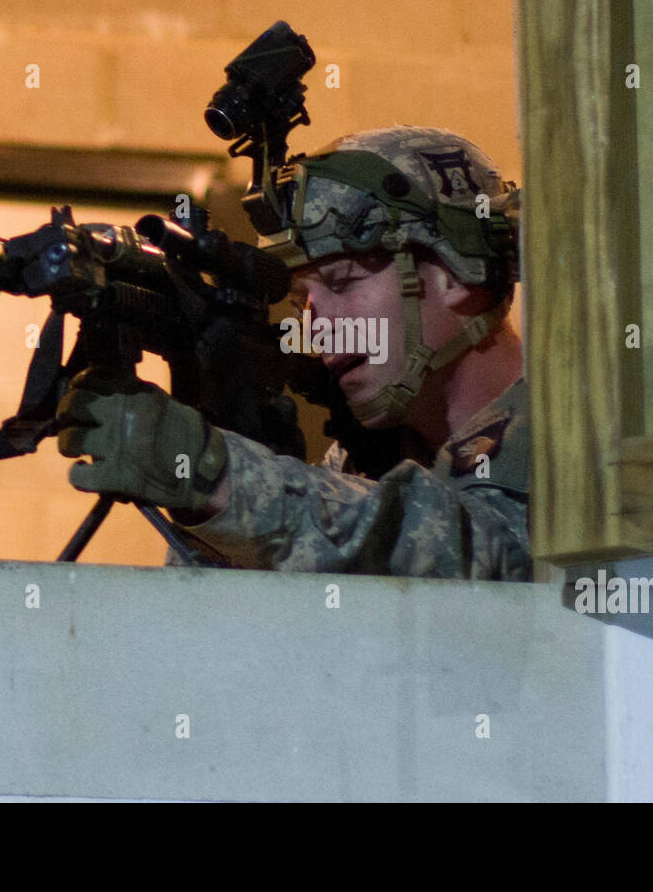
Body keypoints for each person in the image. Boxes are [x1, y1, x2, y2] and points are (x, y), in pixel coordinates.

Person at [56, 126, 531, 581]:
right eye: (301, 301)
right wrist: (218, 475)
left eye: (342, 282)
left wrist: (221, 475)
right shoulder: (364, 461)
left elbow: (486, 558)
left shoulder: (571, 432)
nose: (314, 327)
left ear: (457, 272)